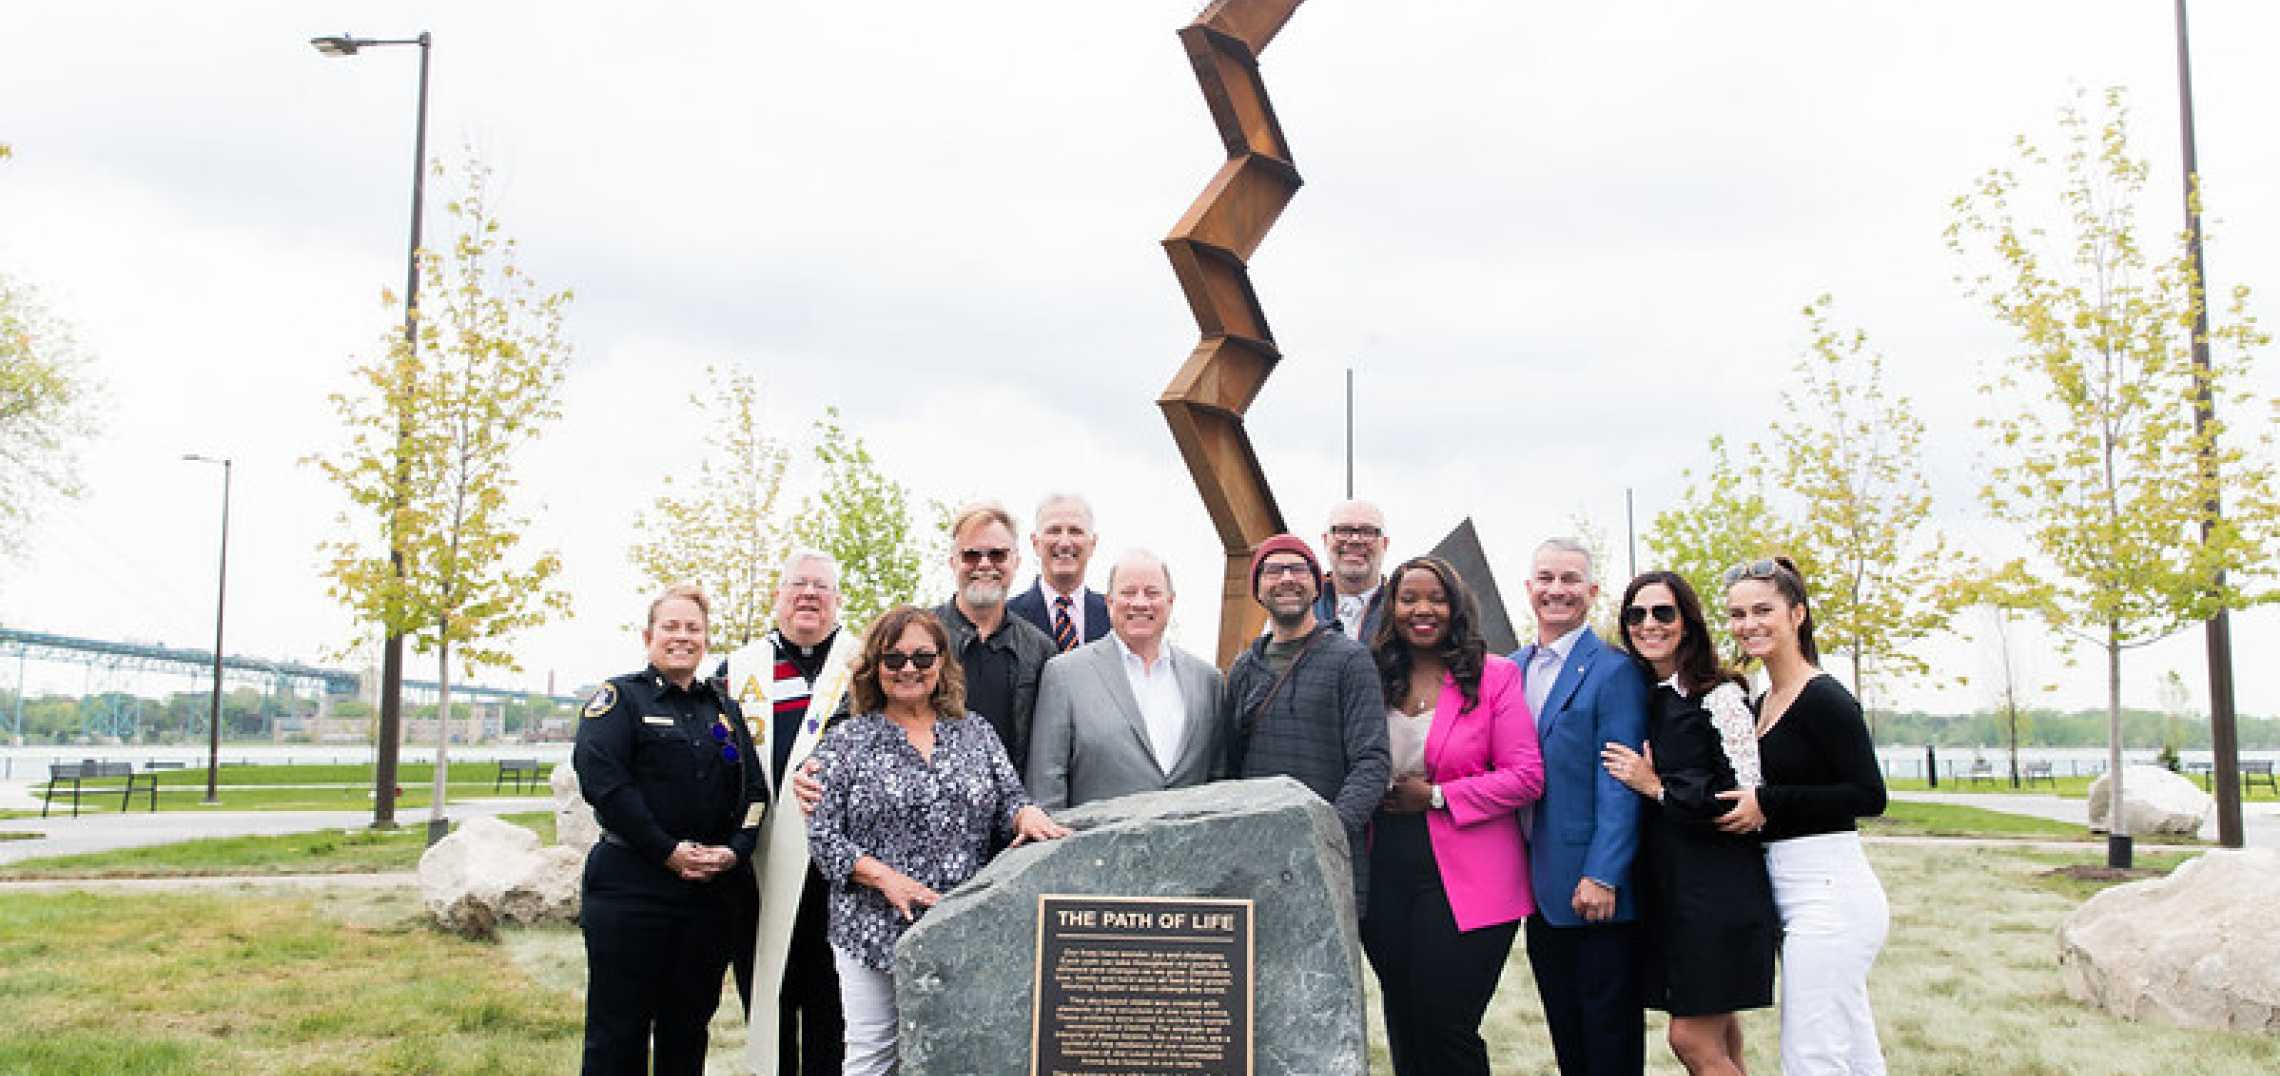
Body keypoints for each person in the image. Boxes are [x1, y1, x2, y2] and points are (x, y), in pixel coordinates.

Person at [806, 605, 1072, 1075]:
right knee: (874, 1056)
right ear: (875, 667)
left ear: (942, 663)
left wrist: (1026, 813)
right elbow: (824, 837)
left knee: (956, 1055)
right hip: (870, 929)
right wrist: (884, 879)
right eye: (894, 659)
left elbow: (1010, 799)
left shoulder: (975, 732)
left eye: (923, 658)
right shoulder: (846, 741)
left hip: (959, 924)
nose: (909, 669)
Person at [1359, 556, 1543, 1076]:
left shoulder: (1495, 676)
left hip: (1469, 874)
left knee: (1446, 1024)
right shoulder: (1372, 676)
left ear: (1456, 607)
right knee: (1405, 1021)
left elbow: (1526, 776)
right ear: (1391, 608)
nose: (1423, 609)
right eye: (1409, 598)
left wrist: (1438, 796)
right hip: (1385, 868)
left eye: (1436, 599)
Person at [573, 585, 767, 1076]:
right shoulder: (619, 699)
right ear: (648, 636)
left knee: (687, 1031)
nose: (683, 637)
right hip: (631, 890)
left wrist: (735, 850)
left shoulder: (723, 708)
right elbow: (605, 784)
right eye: (671, 627)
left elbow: (755, 794)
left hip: (706, 898)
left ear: (706, 639)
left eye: (693, 628)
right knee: (617, 1036)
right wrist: (666, 850)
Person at [1711, 557, 1889, 1075]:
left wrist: (1769, 802)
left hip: (1830, 892)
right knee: (1853, 1046)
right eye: (1738, 614)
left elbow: (1868, 795)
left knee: (1811, 1052)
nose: (1749, 624)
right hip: (1788, 888)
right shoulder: (1762, 699)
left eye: (1763, 610)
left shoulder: (1824, 699)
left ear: (1797, 614)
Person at [1599, 571, 1779, 1075]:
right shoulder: (1643, 696)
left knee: (1690, 1040)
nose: (1649, 624)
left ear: (1687, 622)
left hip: (1718, 896)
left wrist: (1655, 786)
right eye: (1636, 614)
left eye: (1663, 612)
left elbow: (1743, 801)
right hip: (1669, 896)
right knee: (1723, 1041)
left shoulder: (1719, 695)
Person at [716, 550, 861, 1075]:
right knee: (767, 993)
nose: (808, 595)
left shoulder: (864, 665)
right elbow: (716, 754)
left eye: (821, 587)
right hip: (759, 867)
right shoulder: (737, 670)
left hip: (837, 873)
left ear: (837, 601)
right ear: (778, 597)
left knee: (831, 1008)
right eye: (798, 584)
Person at [1512, 537, 1648, 1076]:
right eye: (1546, 578)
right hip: (1537, 890)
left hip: (1595, 892)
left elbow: (1619, 782)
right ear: (1529, 588)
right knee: (1568, 1041)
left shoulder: (1614, 671)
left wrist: (1603, 874)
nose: (1557, 590)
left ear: (1592, 592)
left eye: (1570, 579)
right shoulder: (1511, 668)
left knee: (1608, 1047)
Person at [1223, 533, 1391, 911]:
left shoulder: (1351, 661)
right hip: (1256, 858)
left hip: (1330, 859)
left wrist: (1326, 831)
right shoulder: (1244, 669)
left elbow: (1372, 762)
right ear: (1257, 588)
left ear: (1317, 585)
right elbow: (1230, 768)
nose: (1286, 578)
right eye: (1273, 571)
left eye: (1298, 569)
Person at [1026, 548, 1224, 808]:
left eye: (1152, 593)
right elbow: (1046, 787)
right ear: (1109, 602)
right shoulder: (1064, 675)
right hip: (1094, 835)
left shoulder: (1207, 681)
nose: (1140, 603)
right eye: (1128, 593)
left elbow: (1219, 782)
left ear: (1170, 602)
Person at [933, 502, 1056, 767]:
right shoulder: (915, 637)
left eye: (997, 555)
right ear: (953, 562)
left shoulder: (1040, 650)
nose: (984, 564)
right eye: (971, 555)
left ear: (1016, 562)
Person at [1008, 493, 1109, 652]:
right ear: (1035, 543)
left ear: (1093, 544)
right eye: (1054, 531)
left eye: (1075, 531)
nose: (1064, 543)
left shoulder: (1113, 615)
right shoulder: (1008, 617)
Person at [1315, 499, 1391, 640]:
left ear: (1385, 544)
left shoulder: (1398, 608)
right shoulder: (1304, 607)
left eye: (1367, 532)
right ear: (1325, 540)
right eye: (1343, 530)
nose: (1355, 540)